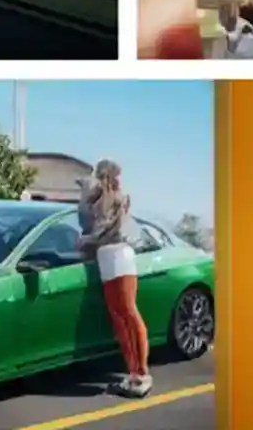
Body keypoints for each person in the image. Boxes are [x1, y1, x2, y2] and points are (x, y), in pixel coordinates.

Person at [78, 160, 151, 398]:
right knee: (119, 315)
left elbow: (102, 229)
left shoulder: (115, 197)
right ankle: (133, 373)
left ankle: (141, 373)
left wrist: (87, 241)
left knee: (128, 311)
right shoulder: (103, 197)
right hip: (108, 257)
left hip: (118, 254)